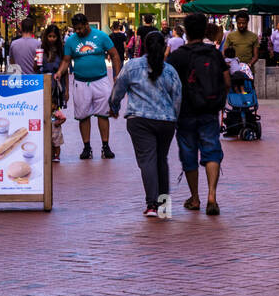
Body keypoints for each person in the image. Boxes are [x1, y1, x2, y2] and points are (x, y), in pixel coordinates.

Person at [110, 30, 182, 218]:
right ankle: (164, 206)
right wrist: (175, 118)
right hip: (166, 121)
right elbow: (177, 97)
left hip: (140, 120)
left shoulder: (132, 66)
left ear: (143, 46)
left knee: (147, 161)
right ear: (164, 47)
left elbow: (118, 89)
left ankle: (151, 205)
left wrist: (115, 107)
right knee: (161, 161)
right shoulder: (170, 70)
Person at [168, 12, 230, 215]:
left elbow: (170, 86)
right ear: (204, 30)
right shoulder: (213, 53)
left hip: (185, 113)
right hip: (209, 110)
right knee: (211, 150)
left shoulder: (177, 57)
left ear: (185, 32)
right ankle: (212, 196)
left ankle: (195, 198)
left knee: (189, 154)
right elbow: (226, 80)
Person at [56, 13, 122, 159]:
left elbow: (115, 55)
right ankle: (87, 148)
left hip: (101, 80)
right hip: (80, 82)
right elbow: (66, 60)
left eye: (80, 28)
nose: (77, 31)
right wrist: (60, 72)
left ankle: (105, 146)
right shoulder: (71, 41)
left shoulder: (101, 36)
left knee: (103, 114)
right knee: (83, 115)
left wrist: (116, 75)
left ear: (87, 24)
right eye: (75, 29)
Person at [39, 24, 68, 159]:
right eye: (49, 36)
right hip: (44, 85)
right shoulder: (41, 49)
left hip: (56, 86)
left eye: (54, 36)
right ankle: (47, 145)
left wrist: (66, 90)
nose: (51, 39)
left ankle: (56, 145)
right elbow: (36, 68)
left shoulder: (61, 51)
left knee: (54, 113)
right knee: (44, 114)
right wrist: (36, 60)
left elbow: (66, 71)